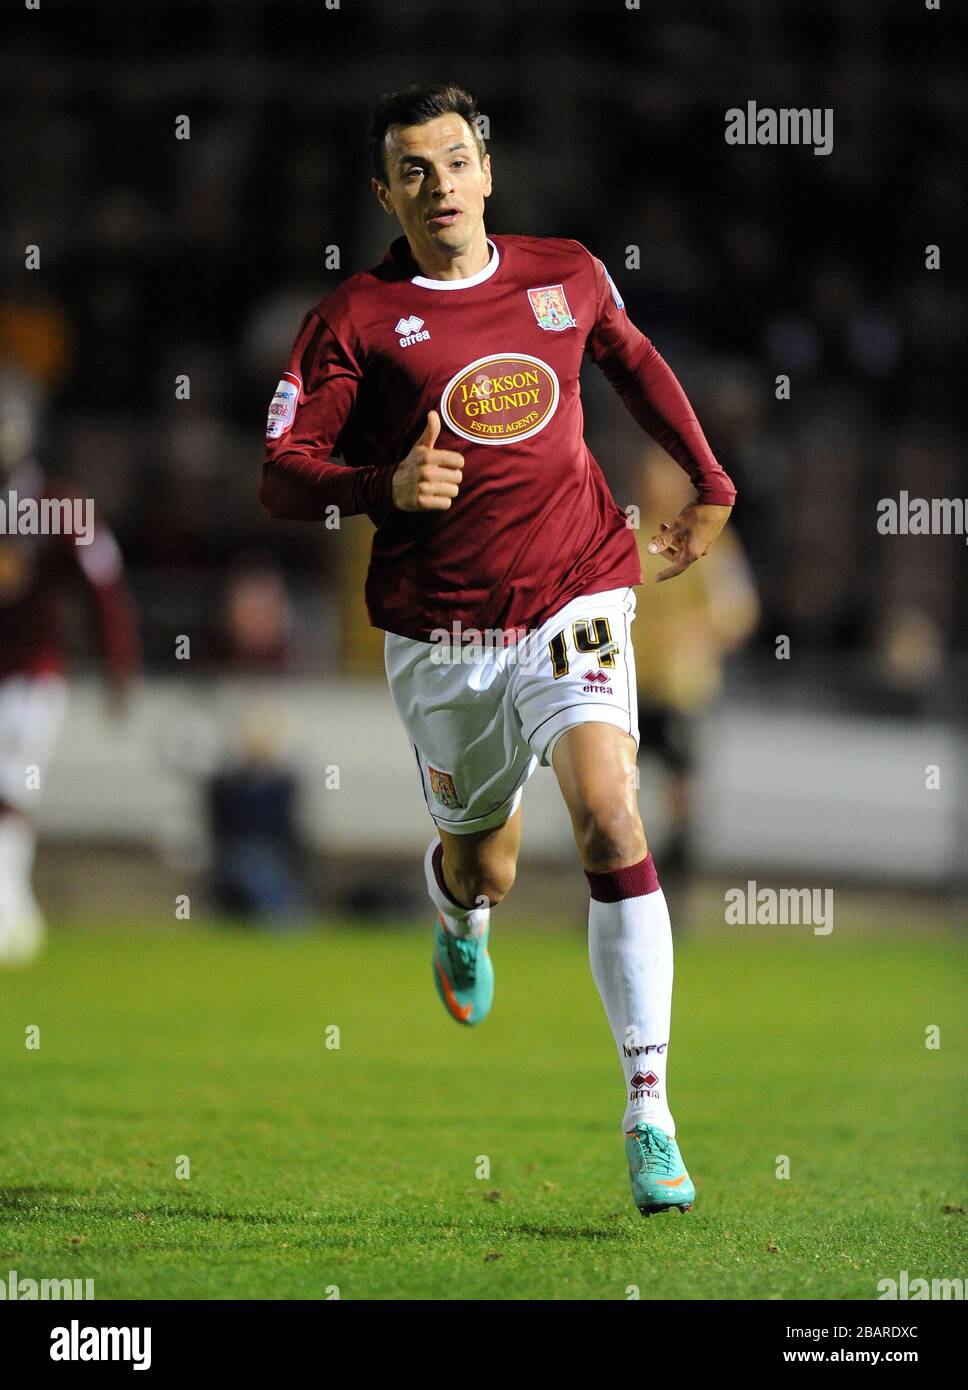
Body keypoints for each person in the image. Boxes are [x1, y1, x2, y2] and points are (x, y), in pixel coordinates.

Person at [260, 83, 737, 1216]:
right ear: (384, 192)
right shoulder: (354, 320)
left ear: (487, 170)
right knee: (489, 864)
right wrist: (382, 485)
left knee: (611, 813)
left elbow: (629, 358)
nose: (438, 186)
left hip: (575, 589)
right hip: (443, 633)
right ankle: (455, 906)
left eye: (455, 161)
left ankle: (647, 1107)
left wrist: (709, 478)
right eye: (411, 171)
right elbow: (280, 475)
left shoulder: (564, 272)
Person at [0, 371, 140, 965]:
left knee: (9, 784)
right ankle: (14, 906)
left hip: (31, 675)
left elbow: (103, 588)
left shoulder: (61, 506)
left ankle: (7, 904)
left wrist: (119, 667)